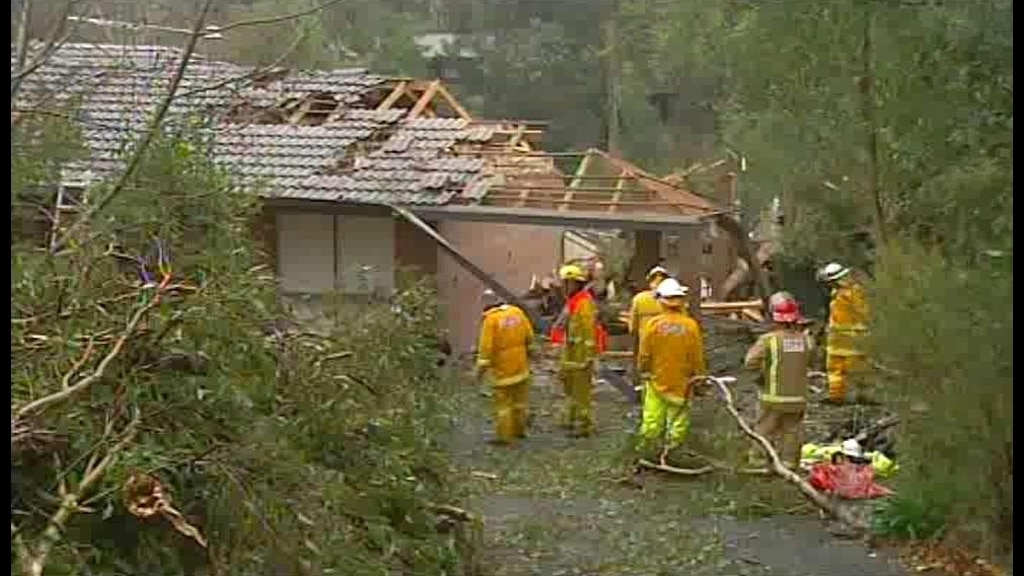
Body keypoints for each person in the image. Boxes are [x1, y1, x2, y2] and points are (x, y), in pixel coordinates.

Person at [637, 278, 707, 465]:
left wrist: (643, 371)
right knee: (678, 420)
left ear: (661, 300)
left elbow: (644, 354)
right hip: (682, 382)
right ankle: (672, 453)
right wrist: (699, 378)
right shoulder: (691, 326)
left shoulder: (652, 325)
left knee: (652, 417)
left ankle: (647, 451)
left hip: (656, 379)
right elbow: (697, 356)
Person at [743, 292, 814, 469]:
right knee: (792, 431)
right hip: (798, 398)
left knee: (764, 430)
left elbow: (750, 362)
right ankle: (788, 464)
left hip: (773, 397)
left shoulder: (768, 340)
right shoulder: (807, 340)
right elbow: (811, 361)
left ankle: (759, 462)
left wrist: (762, 374)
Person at [549, 263, 607, 437]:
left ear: (576, 283)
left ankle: (583, 426)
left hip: (582, 357)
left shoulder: (584, 304)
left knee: (581, 393)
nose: (564, 287)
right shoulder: (574, 302)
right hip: (572, 355)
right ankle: (571, 419)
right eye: (564, 283)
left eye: (568, 283)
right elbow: (563, 325)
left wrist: (590, 357)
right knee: (570, 388)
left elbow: (589, 332)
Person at [475, 289, 535, 445]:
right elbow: (529, 337)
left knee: (503, 407)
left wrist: (479, 373)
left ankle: (504, 437)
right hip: (521, 369)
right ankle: (519, 431)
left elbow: (485, 350)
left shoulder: (491, 320)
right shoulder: (517, 312)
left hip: (503, 373)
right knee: (519, 403)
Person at [817, 262, 871, 404]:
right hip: (838, 339)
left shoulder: (854, 293)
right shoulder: (838, 293)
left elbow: (863, 313)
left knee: (856, 369)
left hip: (853, 339)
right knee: (835, 369)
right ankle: (837, 397)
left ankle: (861, 396)